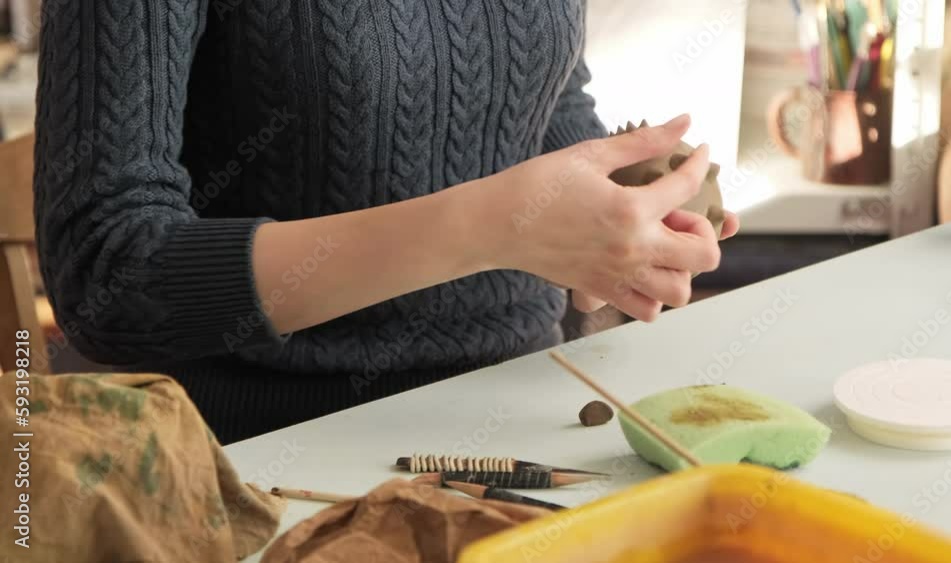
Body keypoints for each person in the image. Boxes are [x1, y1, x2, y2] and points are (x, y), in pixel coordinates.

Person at [33, 0, 738, 444]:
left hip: (530, 418)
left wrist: (616, 215)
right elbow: (109, 274)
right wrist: (495, 226)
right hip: (264, 458)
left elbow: (543, 97)